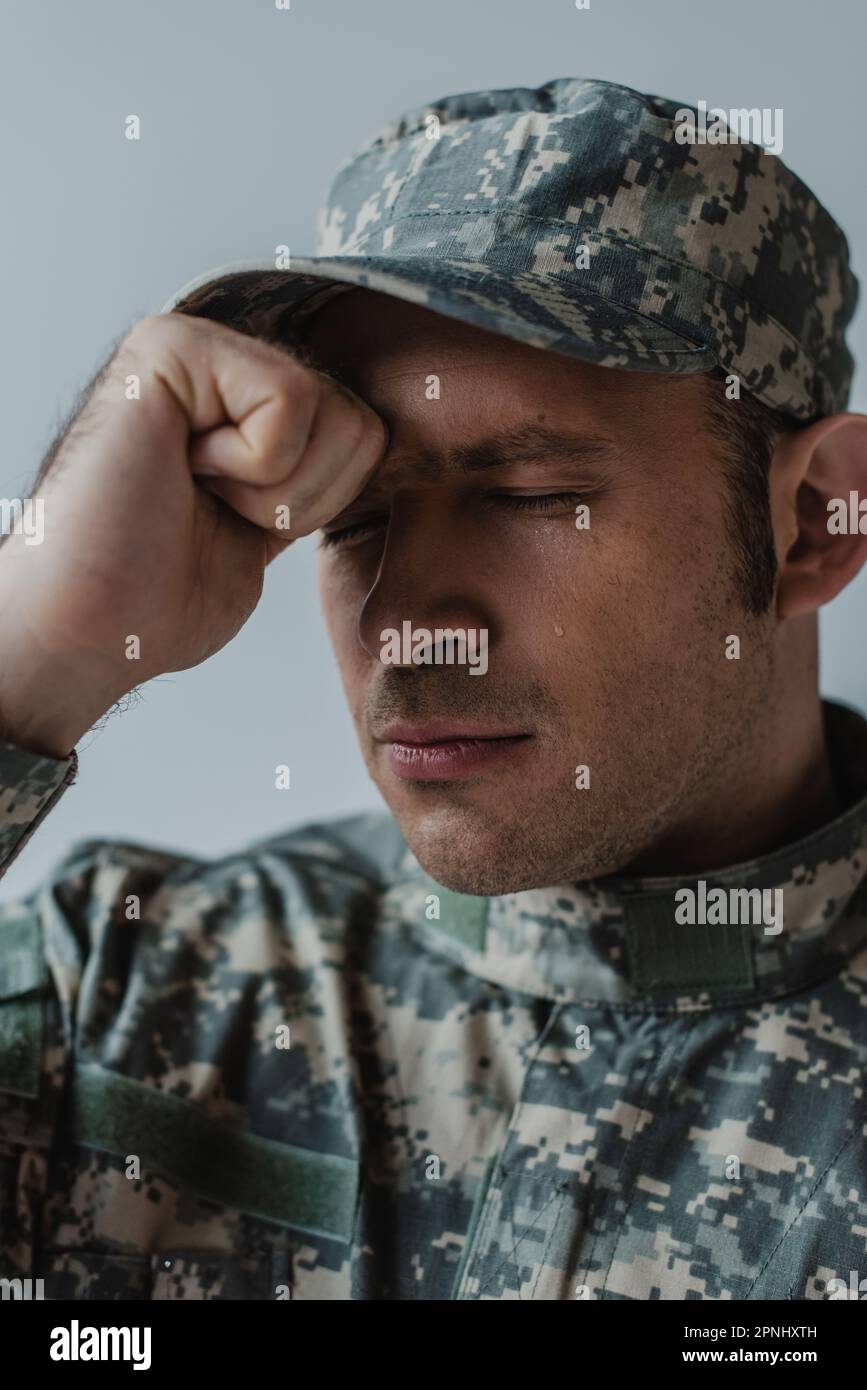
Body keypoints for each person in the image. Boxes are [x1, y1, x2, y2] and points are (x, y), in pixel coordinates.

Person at [1, 76, 865, 1302]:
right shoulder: (127, 1002)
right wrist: (36, 652)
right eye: (351, 515)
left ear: (817, 523)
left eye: (524, 498)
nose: (406, 625)